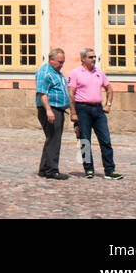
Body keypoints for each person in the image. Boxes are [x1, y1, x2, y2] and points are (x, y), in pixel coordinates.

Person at [68, 47, 124, 180]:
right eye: (90, 57)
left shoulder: (99, 72)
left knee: (106, 140)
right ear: (83, 59)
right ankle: (89, 169)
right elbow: (71, 93)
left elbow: (109, 89)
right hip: (82, 109)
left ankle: (110, 170)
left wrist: (108, 105)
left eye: (95, 57)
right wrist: (73, 113)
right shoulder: (75, 73)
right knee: (85, 141)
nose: (94, 59)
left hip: (98, 110)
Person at [34, 47, 71, 179]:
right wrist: (49, 110)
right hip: (50, 109)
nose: (62, 65)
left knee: (52, 139)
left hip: (57, 109)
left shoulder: (56, 72)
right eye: (60, 62)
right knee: (54, 139)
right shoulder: (44, 72)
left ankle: (44, 169)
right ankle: (52, 170)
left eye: (63, 62)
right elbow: (42, 93)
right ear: (51, 60)